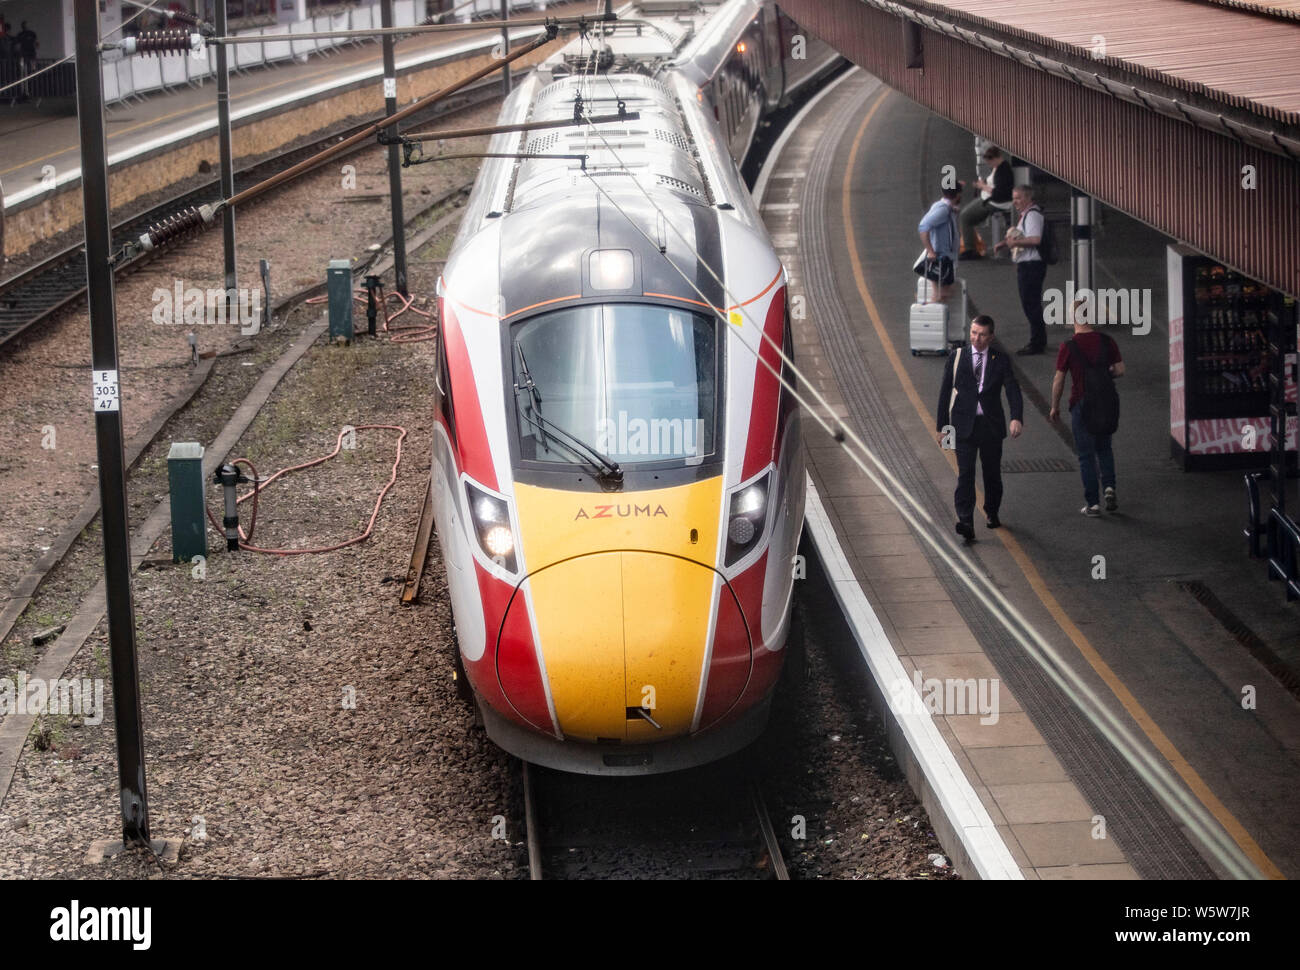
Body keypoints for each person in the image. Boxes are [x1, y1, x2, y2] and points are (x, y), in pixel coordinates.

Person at [935, 315, 1024, 541]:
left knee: (992, 474)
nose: (977, 338)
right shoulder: (957, 357)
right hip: (962, 426)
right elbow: (945, 393)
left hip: (990, 427)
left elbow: (1012, 389)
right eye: (974, 333)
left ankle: (992, 511)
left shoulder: (1000, 360)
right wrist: (942, 427)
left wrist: (1016, 417)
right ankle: (966, 522)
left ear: (991, 337)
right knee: (965, 474)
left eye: (982, 334)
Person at [1049, 298, 1125, 516]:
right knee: (1105, 448)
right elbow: (1120, 370)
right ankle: (1109, 487)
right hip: (1106, 401)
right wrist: (1102, 374)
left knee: (1086, 455)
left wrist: (1055, 406)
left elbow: (1059, 379)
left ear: (1073, 317)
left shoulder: (1069, 346)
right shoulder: (1106, 341)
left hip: (1081, 404)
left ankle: (1092, 504)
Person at [995, 185, 1047, 355]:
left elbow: (1035, 239)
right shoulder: (1025, 215)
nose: (1015, 201)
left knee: (1031, 304)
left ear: (1028, 198)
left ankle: (1037, 343)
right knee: (1030, 304)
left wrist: (1014, 244)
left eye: (1018, 198)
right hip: (1027, 265)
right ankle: (1038, 340)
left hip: (1032, 266)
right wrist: (1004, 244)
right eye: (1014, 198)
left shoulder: (1032, 216)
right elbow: (1022, 236)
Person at [960, 146, 1013, 258]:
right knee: (966, 214)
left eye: (989, 162)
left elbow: (998, 193)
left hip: (995, 202)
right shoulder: (999, 167)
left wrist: (983, 186)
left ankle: (970, 249)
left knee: (966, 217)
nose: (989, 165)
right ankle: (972, 246)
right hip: (989, 199)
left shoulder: (1003, 170)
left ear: (994, 158)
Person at [917, 181, 963, 304]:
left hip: (946, 257)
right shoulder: (943, 210)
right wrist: (931, 251)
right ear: (958, 195)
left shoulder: (944, 208)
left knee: (945, 293)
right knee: (942, 295)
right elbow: (923, 227)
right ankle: (931, 315)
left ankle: (935, 313)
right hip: (942, 258)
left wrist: (952, 210)